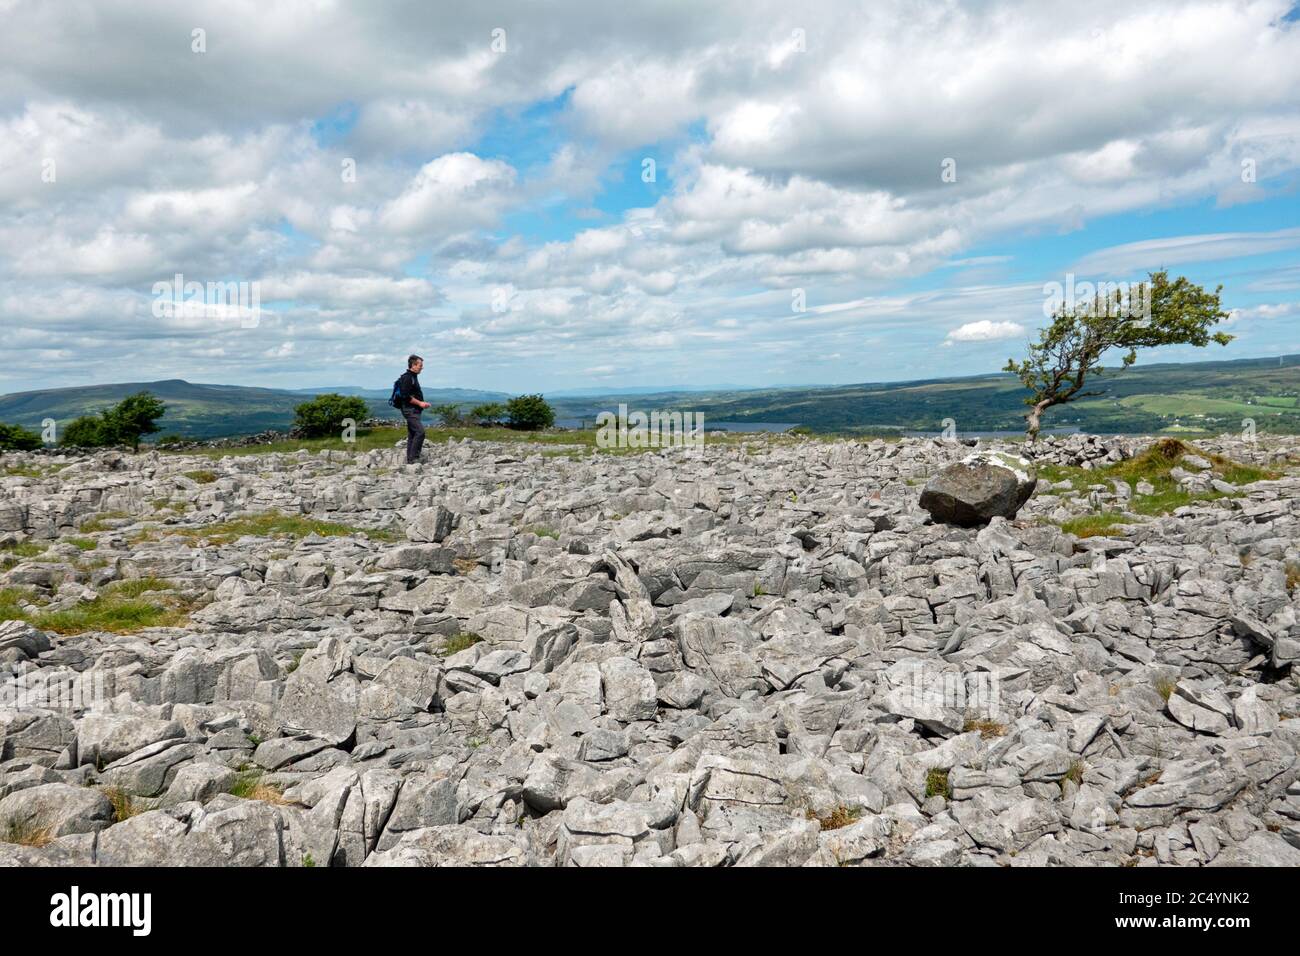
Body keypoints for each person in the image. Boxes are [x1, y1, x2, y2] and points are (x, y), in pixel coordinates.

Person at [397, 354, 430, 464]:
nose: (422, 367)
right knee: (420, 432)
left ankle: (410, 459)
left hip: (413, 410)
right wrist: (420, 403)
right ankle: (414, 458)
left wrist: (421, 404)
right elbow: (405, 396)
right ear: (413, 365)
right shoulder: (408, 378)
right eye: (420, 365)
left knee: (412, 434)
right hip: (409, 410)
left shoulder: (412, 377)